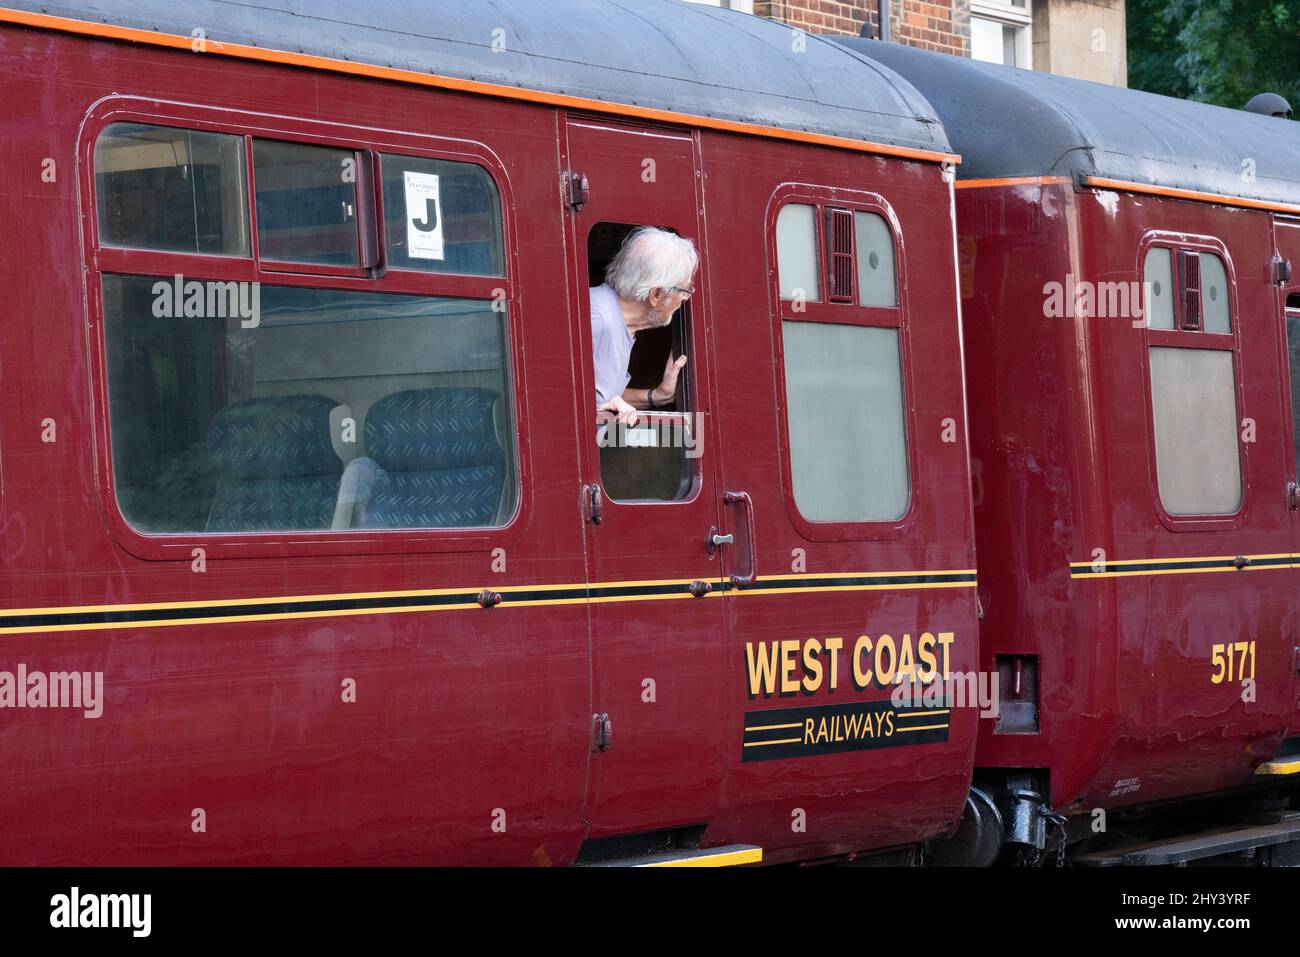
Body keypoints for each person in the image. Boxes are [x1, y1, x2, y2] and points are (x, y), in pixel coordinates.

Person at [591, 227, 697, 425]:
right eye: (684, 289)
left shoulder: (621, 323)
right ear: (656, 295)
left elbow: (604, 398)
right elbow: (542, 398)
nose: (686, 297)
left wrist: (656, 396)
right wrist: (595, 411)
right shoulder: (597, 318)